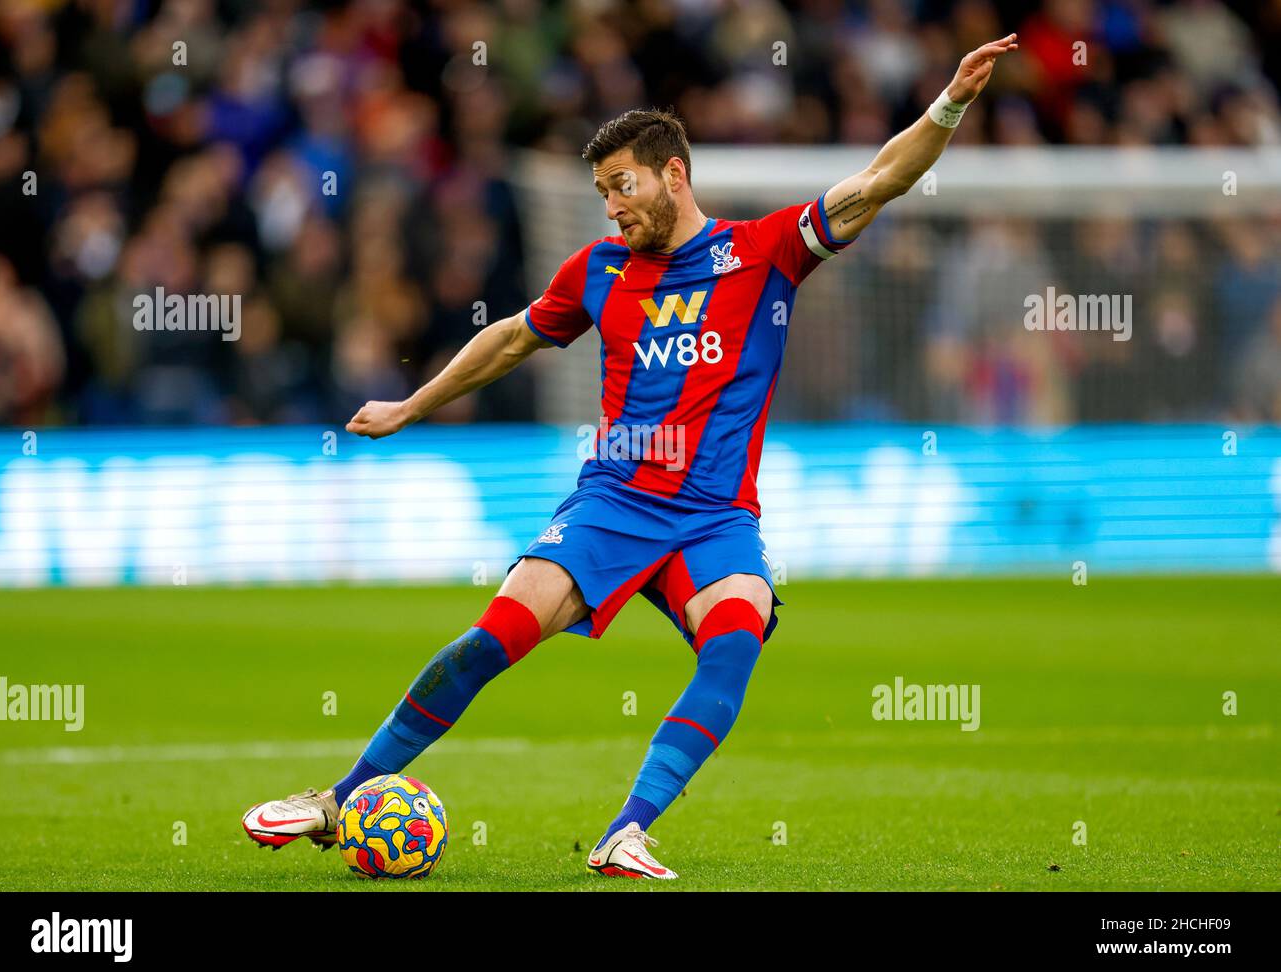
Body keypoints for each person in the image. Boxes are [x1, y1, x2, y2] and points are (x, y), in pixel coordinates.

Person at [242, 34, 1019, 879]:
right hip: (612, 502)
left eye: (622, 185)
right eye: (601, 190)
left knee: (737, 633)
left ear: (673, 175)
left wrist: (948, 104)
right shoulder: (597, 270)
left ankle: (628, 829)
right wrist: (412, 405)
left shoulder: (764, 252)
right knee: (490, 639)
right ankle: (339, 800)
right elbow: (510, 340)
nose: (611, 206)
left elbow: (881, 181)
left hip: (714, 516)